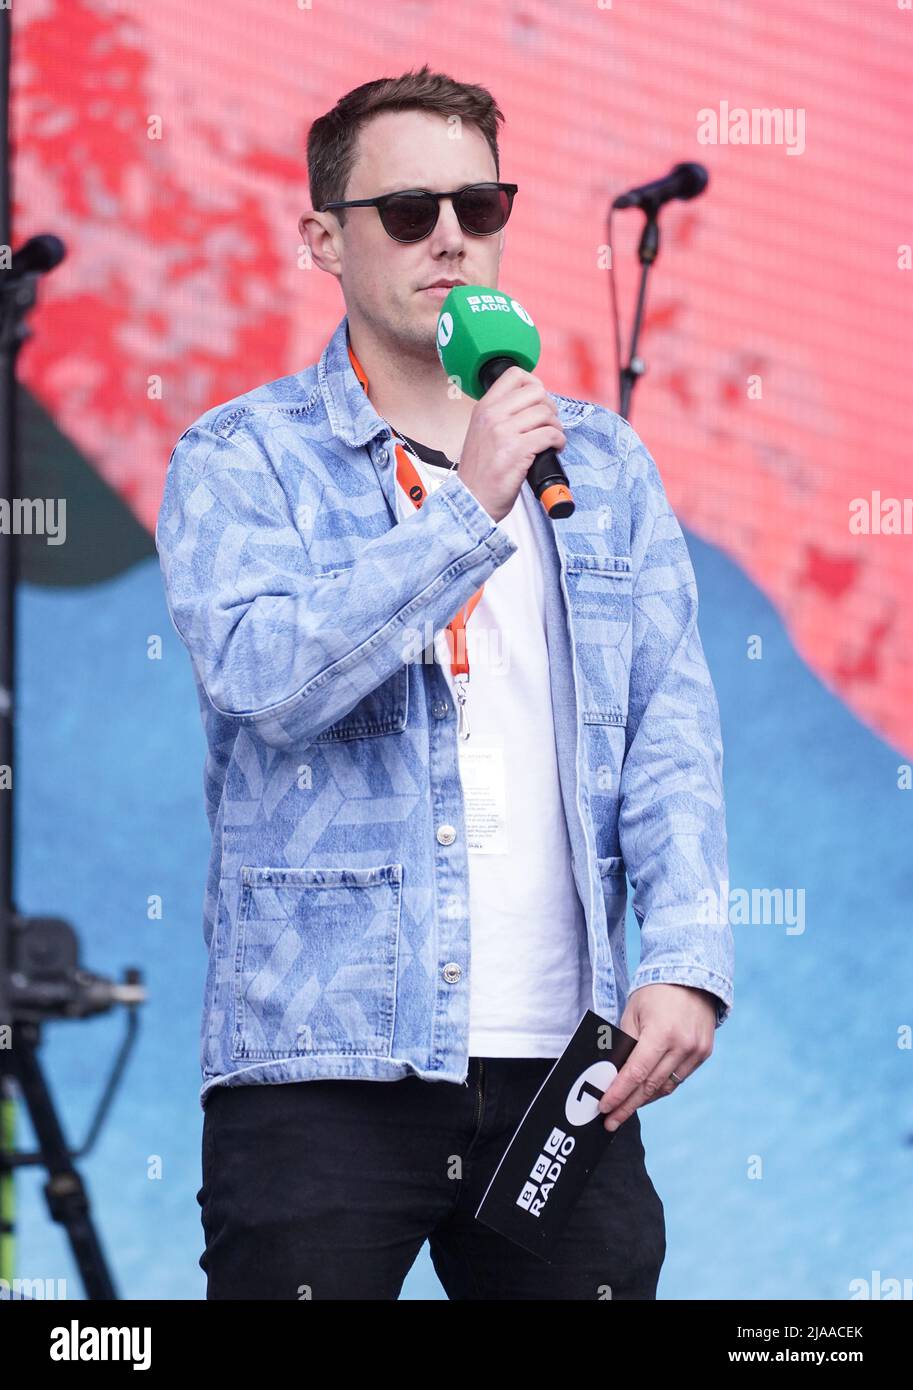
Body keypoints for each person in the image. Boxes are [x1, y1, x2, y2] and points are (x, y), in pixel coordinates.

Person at [155, 64, 734, 1300]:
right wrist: (467, 506)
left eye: (480, 205)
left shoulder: (599, 461)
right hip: (325, 1058)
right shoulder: (241, 458)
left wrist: (685, 957)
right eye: (410, 211)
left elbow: (669, 727)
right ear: (323, 239)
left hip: (564, 1063)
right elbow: (267, 680)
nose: (452, 238)